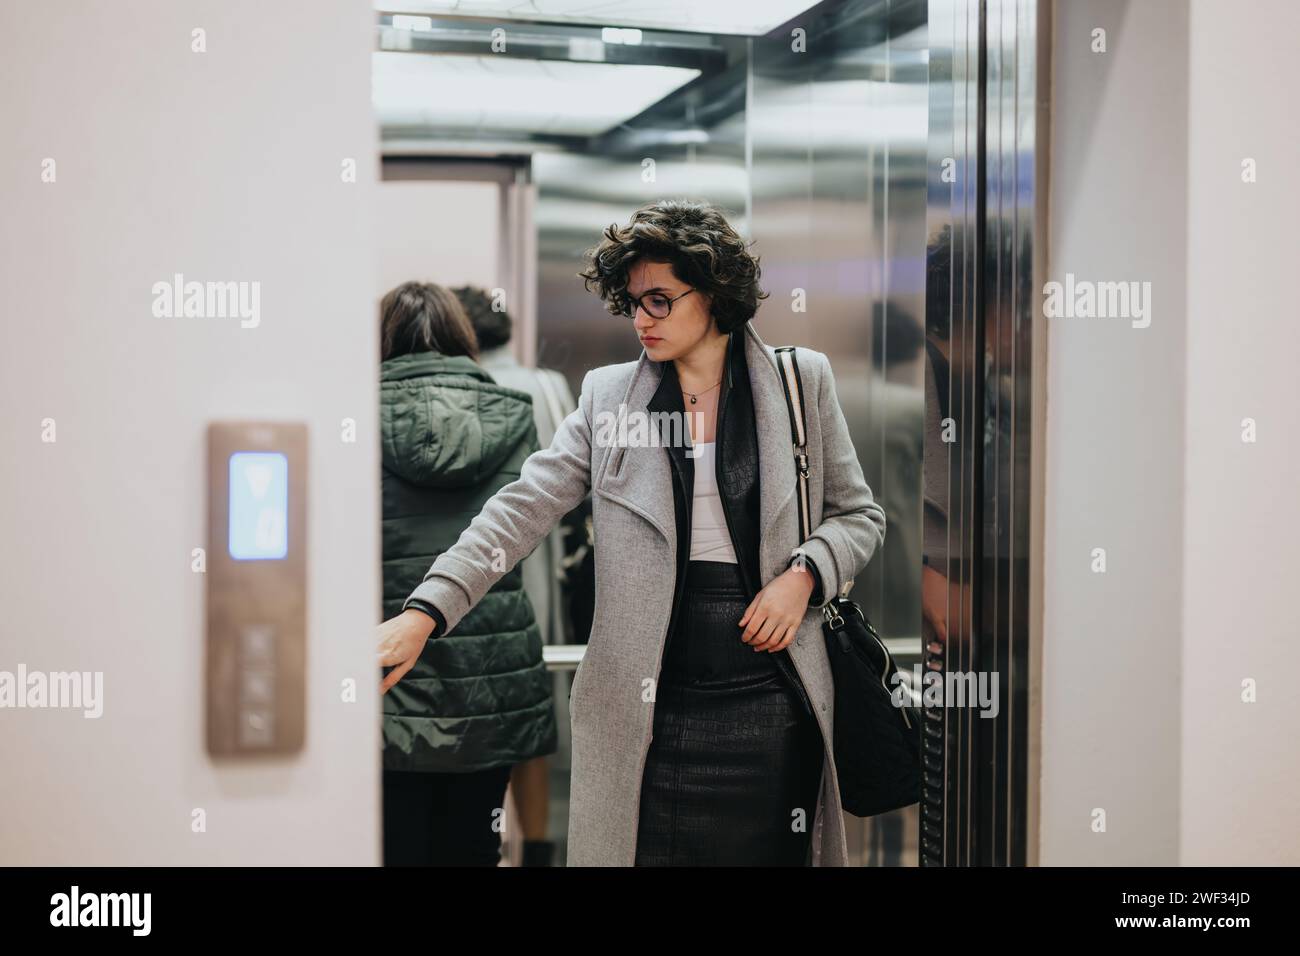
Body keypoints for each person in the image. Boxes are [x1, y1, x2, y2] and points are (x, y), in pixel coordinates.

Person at [376, 200, 886, 866]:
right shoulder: (609, 396)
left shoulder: (798, 383)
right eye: (633, 303)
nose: (642, 319)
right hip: (648, 697)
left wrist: (804, 575)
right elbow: (521, 509)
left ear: (714, 294)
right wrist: (425, 611)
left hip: (771, 691)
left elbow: (859, 516)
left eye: (659, 301)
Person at [377, 281, 557, 866]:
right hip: (492, 672)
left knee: (393, 847)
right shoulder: (514, 412)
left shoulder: (353, 418)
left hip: (389, 665)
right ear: (463, 337)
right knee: (474, 848)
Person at [453, 284, 580, 868]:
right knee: (536, 715)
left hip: (472, 566)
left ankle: (485, 844)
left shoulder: (462, 388)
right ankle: (538, 850)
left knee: (477, 718)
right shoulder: (548, 386)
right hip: (538, 574)